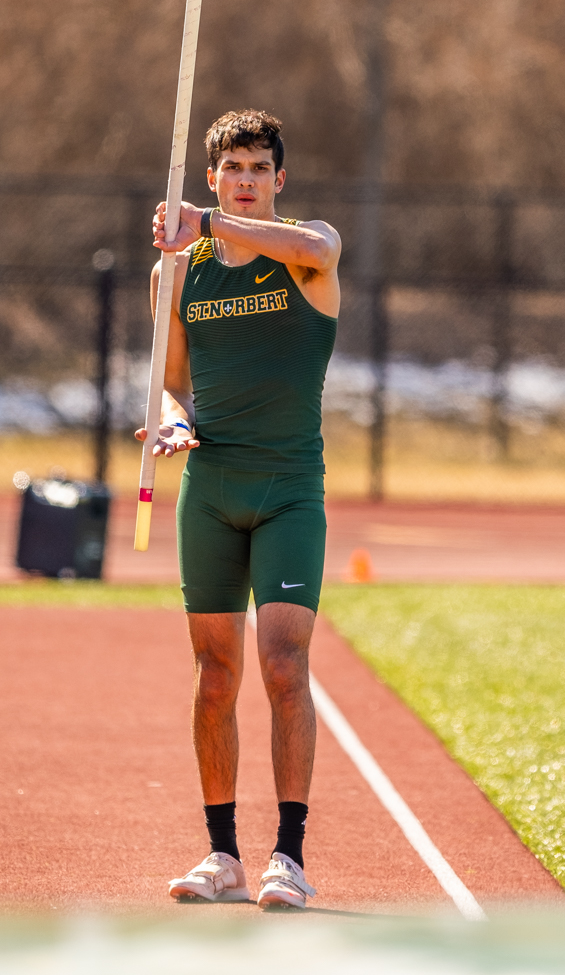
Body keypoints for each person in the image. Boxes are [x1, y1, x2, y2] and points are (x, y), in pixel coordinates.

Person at [148, 111, 342, 911]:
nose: (246, 179)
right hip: (211, 490)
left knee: (284, 664)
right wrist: (173, 420)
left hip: (289, 488)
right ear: (212, 176)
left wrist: (207, 223)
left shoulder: (308, 251)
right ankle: (222, 852)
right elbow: (170, 382)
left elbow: (319, 249)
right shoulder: (177, 272)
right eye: (233, 168)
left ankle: (288, 856)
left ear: (279, 179)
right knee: (215, 674)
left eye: (259, 168)